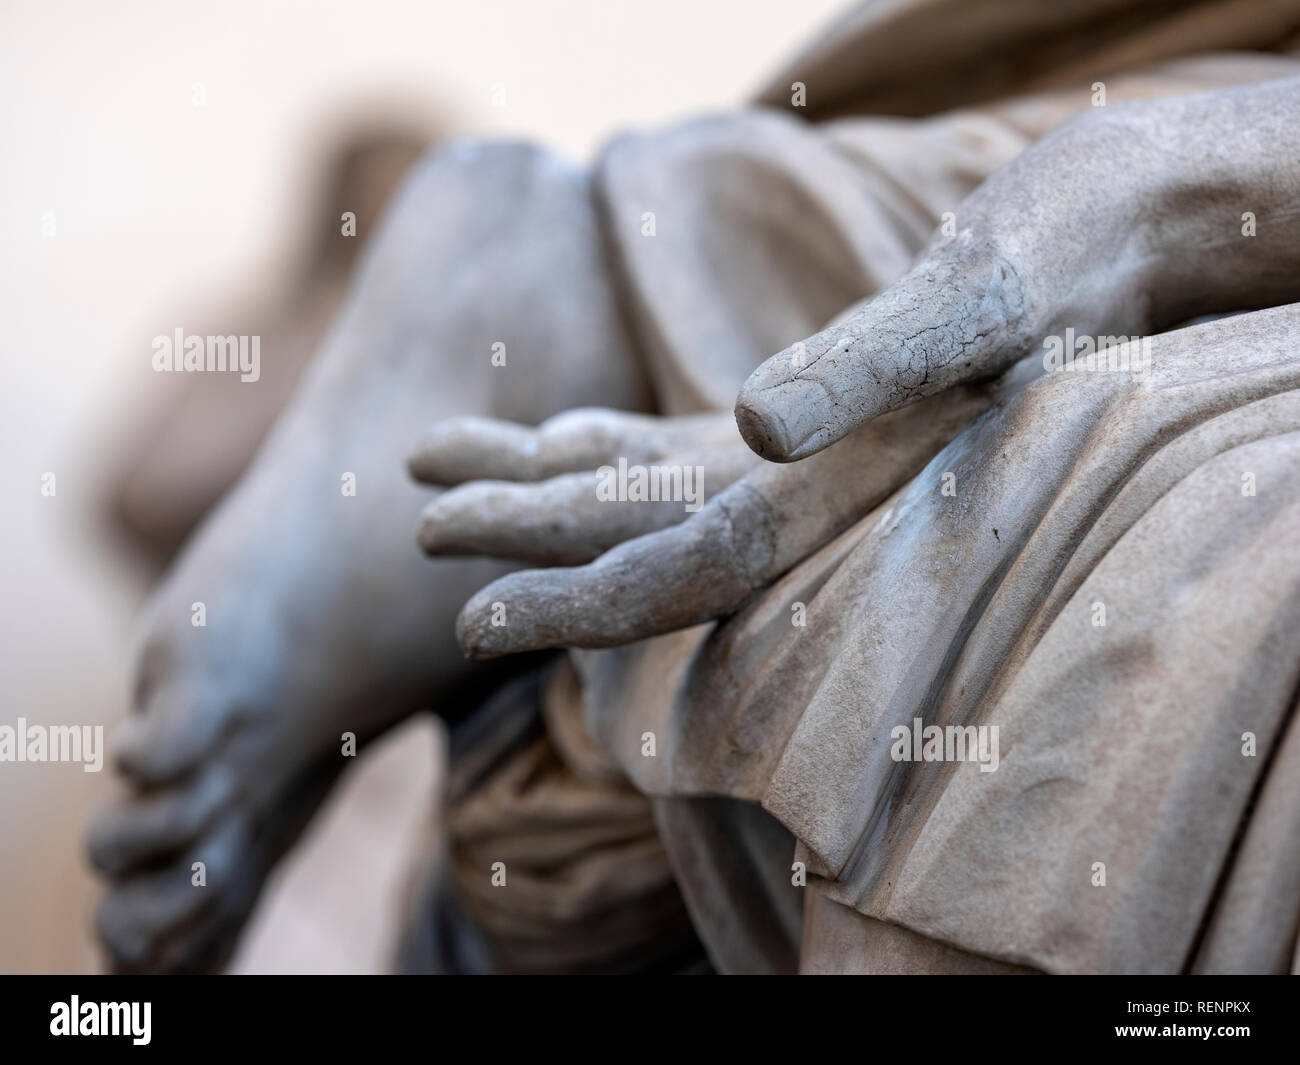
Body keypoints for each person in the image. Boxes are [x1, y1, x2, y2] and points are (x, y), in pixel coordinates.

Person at [90, 0, 1300, 973]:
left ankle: (611, 271)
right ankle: (627, 280)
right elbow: (135, 494)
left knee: (1087, 456)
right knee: (1061, 441)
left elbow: (132, 498)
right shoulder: (240, 333)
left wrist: (1153, 188)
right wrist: (1149, 190)